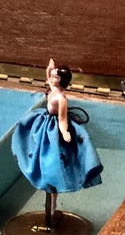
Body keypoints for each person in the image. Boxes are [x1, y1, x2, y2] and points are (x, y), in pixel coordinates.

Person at [11, 58, 103, 220]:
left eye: (55, 77)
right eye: (52, 76)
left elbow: (62, 119)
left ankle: (52, 209)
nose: (52, 78)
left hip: (54, 130)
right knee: (33, 146)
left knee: (53, 161)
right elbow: (48, 77)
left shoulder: (61, 99)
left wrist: (65, 133)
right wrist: (50, 68)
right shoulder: (53, 88)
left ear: (62, 81)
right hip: (42, 123)